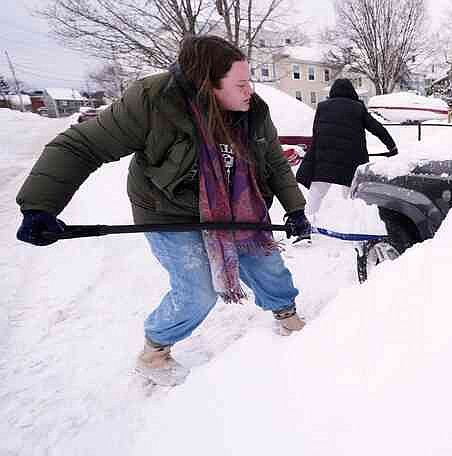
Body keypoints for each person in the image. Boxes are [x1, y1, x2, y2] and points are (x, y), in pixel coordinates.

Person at [15, 36, 312, 386]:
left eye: (250, 83)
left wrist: (296, 209)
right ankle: (155, 351)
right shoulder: (152, 101)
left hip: (235, 207)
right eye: (241, 84)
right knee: (197, 290)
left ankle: (286, 314)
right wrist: (39, 206)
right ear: (207, 86)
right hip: (169, 210)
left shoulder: (253, 113)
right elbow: (82, 146)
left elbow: (274, 162)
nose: (250, 92)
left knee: (266, 263)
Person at [295, 79, 397, 243]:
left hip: (324, 159)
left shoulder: (322, 107)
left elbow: (316, 132)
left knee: (316, 194)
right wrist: (391, 146)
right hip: (350, 161)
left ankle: (304, 228)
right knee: (352, 195)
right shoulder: (358, 108)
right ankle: (355, 228)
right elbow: (376, 127)